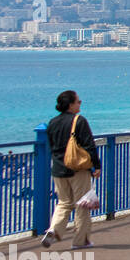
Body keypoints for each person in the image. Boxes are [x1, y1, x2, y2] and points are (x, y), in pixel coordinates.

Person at [41, 90, 101, 249]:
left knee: (64, 203)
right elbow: (89, 145)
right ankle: (81, 241)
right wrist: (97, 166)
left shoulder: (52, 122)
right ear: (70, 104)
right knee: (82, 205)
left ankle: (54, 229)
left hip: (58, 169)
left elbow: (52, 146)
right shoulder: (79, 121)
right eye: (78, 101)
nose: (80, 104)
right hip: (77, 169)